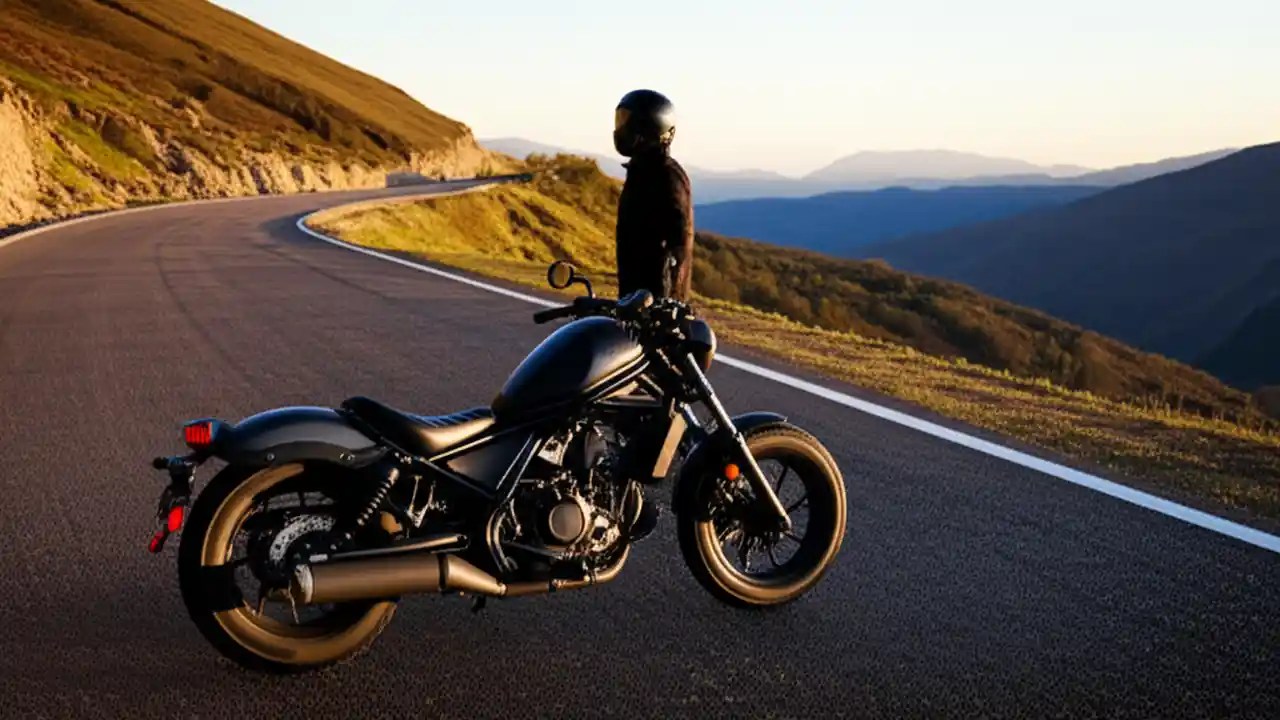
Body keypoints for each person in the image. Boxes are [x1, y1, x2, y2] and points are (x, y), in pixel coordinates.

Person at [613, 89, 694, 302]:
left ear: (647, 128)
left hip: (656, 303)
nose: (619, 129)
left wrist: (662, 301)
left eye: (625, 121)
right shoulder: (642, 171)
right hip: (636, 298)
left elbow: (676, 245)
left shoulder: (666, 176)